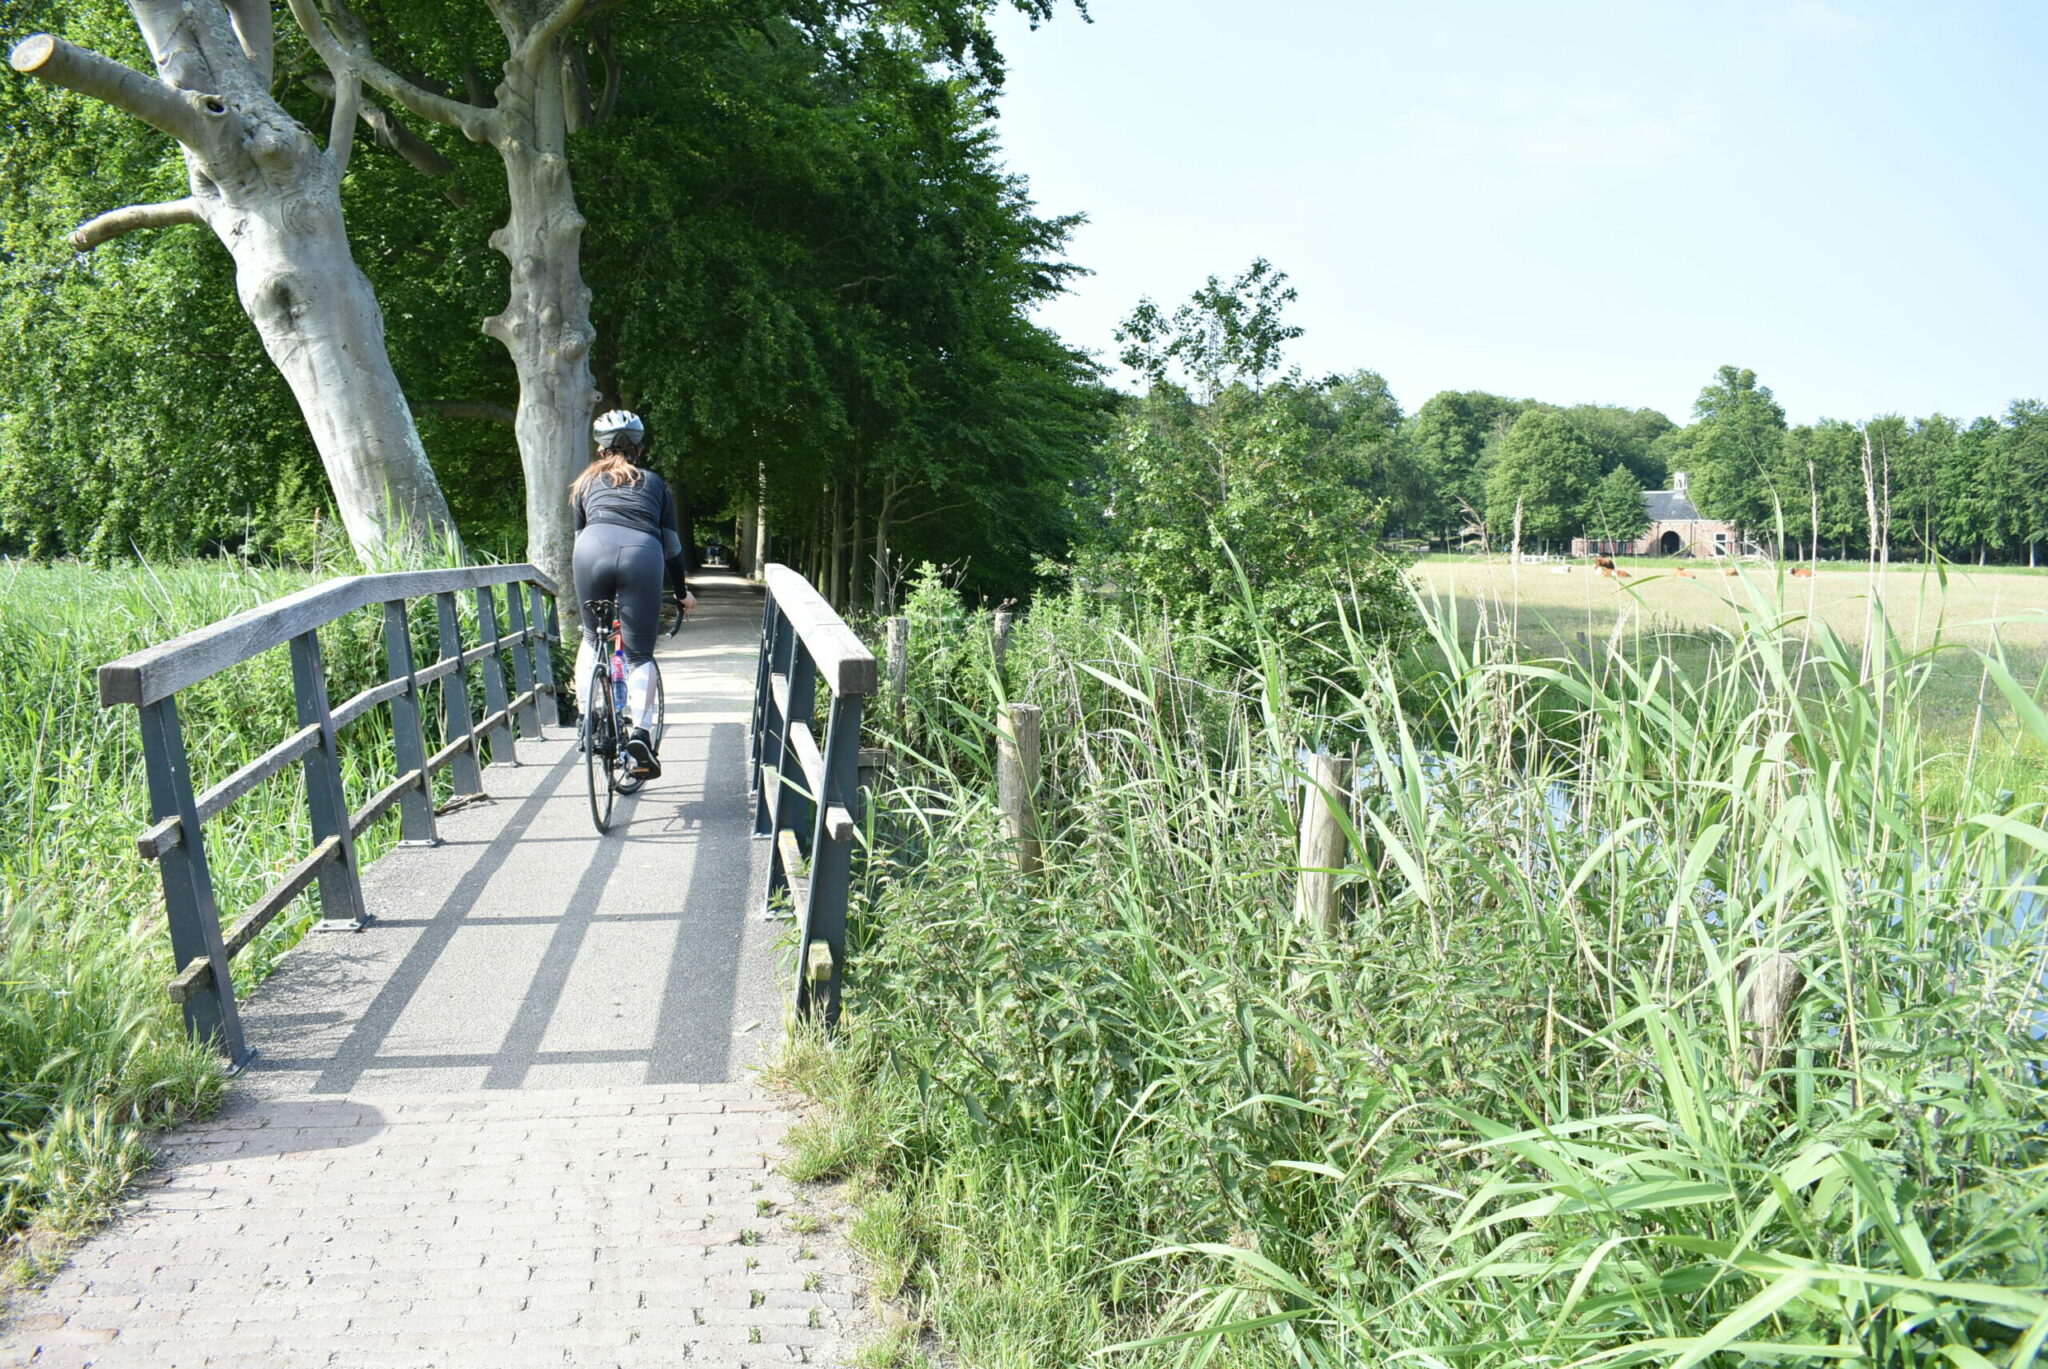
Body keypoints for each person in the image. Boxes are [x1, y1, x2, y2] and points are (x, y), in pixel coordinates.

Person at [571, 409, 697, 780]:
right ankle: (640, 736)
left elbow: (580, 536)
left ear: (600, 449)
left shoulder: (583, 484)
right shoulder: (655, 483)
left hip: (591, 552)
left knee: (592, 637)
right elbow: (671, 545)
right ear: (639, 450)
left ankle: (586, 717)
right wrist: (681, 592)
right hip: (642, 555)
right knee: (640, 654)